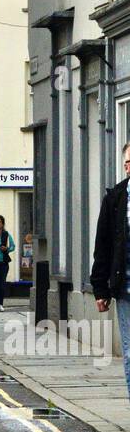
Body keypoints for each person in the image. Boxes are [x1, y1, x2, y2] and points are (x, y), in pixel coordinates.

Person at [91, 140, 130, 400]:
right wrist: (99, 288)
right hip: (125, 288)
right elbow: (102, 245)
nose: (128, 167)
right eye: (126, 162)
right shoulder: (115, 198)